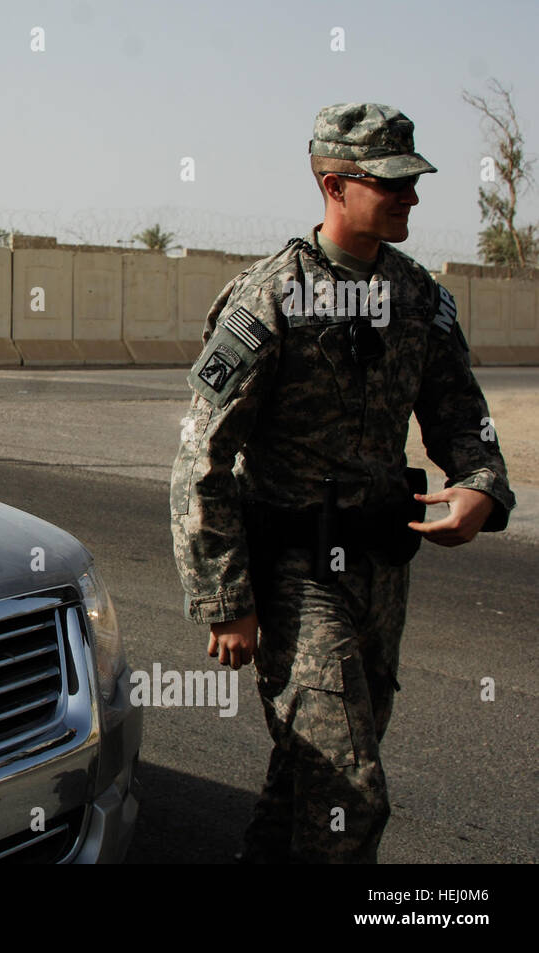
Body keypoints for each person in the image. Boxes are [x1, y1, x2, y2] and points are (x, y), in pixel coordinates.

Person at [170, 102, 515, 863]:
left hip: (381, 575)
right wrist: (226, 601)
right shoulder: (270, 296)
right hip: (297, 577)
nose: (410, 198)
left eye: (413, 182)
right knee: (351, 796)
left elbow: (465, 420)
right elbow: (201, 456)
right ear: (334, 183)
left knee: (308, 776)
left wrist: (482, 484)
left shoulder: (419, 298)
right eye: (391, 183)